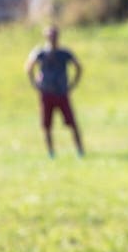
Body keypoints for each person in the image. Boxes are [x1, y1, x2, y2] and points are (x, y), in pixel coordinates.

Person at [25, 25, 85, 158]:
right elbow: (29, 66)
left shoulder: (64, 53)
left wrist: (73, 84)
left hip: (62, 92)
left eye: (54, 36)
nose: (52, 38)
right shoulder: (40, 52)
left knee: (72, 123)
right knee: (46, 125)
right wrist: (35, 83)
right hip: (47, 93)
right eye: (50, 36)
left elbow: (78, 66)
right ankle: (51, 153)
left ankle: (80, 151)